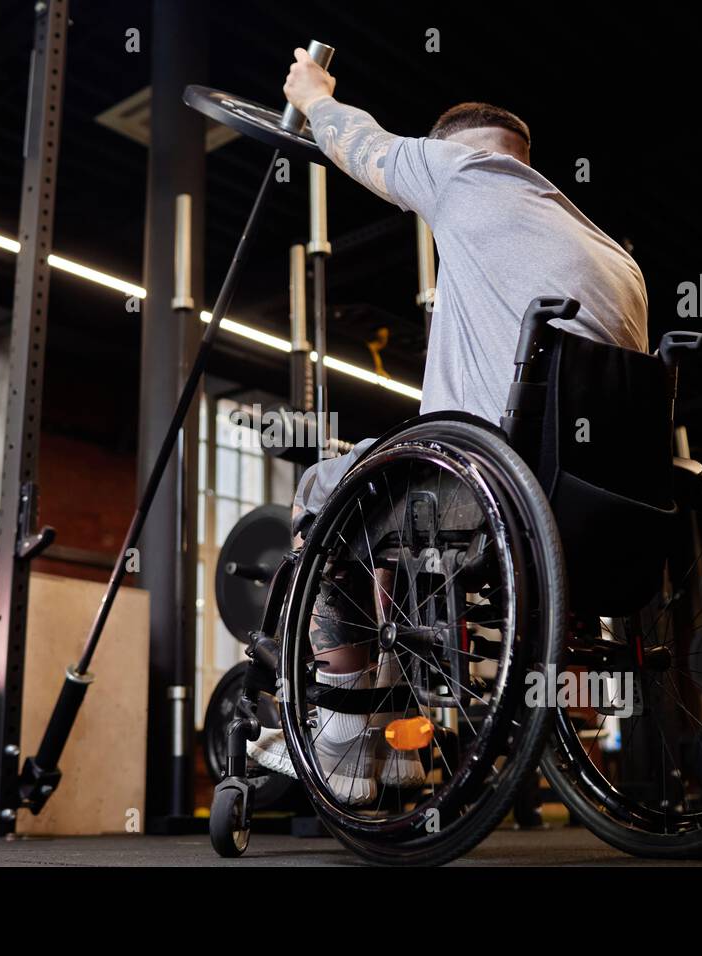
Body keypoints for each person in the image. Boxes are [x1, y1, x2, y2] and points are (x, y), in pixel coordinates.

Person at [247, 48, 649, 804]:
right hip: (595, 507)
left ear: (453, 150)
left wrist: (314, 91)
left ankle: (346, 731)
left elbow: (357, 143)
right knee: (390, 498)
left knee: (325, 485)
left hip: (490, 487)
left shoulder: (465, 174)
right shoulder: (611, 253)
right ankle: (398, 732)